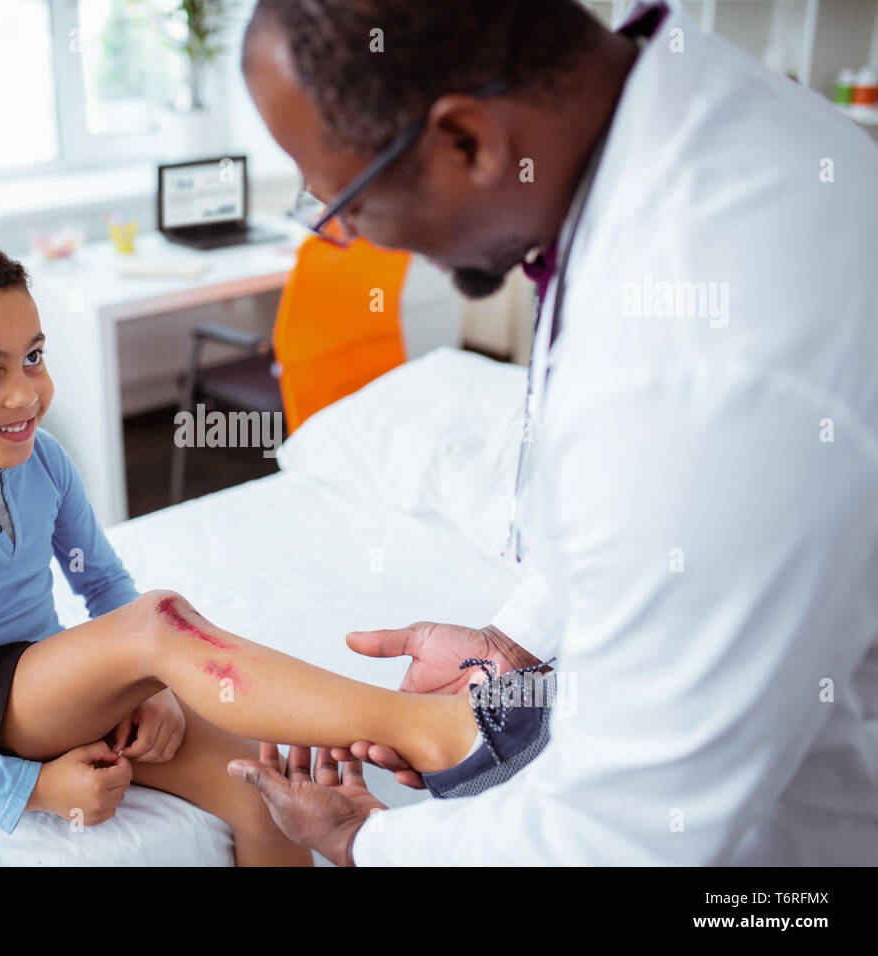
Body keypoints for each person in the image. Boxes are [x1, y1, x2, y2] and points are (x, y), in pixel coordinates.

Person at [227, 0, 878, 866]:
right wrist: (513, 641)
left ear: (467, 142)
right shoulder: (691, 101)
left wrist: (367, 842)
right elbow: (675, 522)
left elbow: (624, 836)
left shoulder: (694, 367)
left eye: (345, 200)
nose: (344, 234)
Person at [0, 229, 514, 866]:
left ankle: (424, 731)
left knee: (265, 789)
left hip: (50, 684)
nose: (24, 393)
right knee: (161, 621)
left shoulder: (44, 461)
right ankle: (432, 728)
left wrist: (150, 689)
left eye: (33, 357)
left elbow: (100, 584)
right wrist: (31, 787)